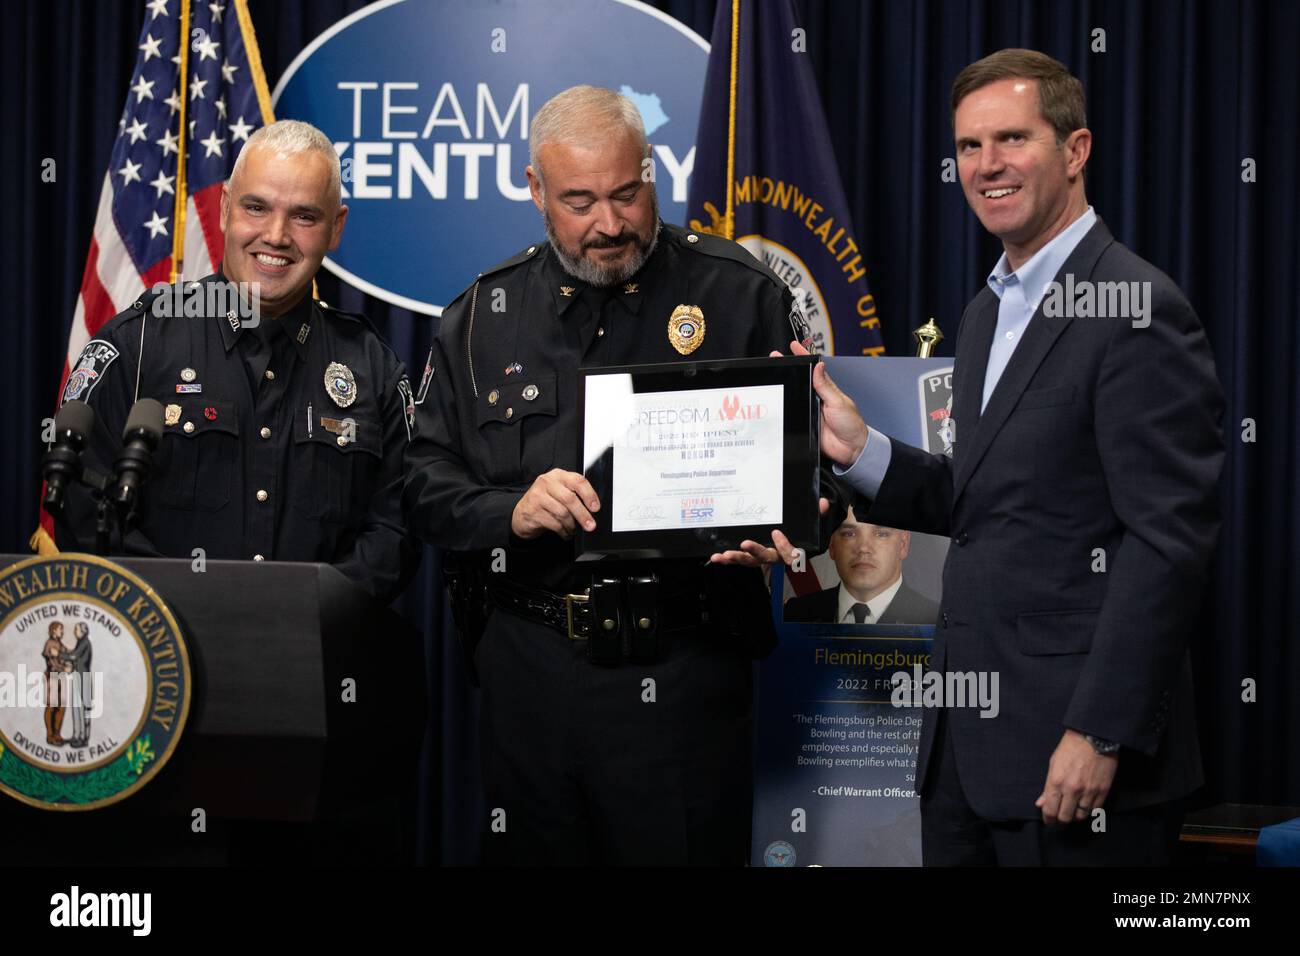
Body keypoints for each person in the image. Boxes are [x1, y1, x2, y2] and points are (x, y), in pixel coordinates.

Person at [778, 50, 1223, 865]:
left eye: (1012, 139)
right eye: (970, 147)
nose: (987, 167)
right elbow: (988, 504)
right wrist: (863, 452)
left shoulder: (1138, 308)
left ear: (1077, 150)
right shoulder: (986, 312)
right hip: (962, 764)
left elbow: (1170, 544)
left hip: (1078, 764)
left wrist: (1100, 730)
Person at [404, 85, 835, 865]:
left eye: (627, 193)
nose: (609, 223)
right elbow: (423, 484)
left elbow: (822, 479)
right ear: (535, 191)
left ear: (651, 171)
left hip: (687, 667)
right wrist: (510, 511)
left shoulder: (740, 293)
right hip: (531, 673)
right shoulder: (481, 317)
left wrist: (783, 536)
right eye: (579, 201)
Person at [57, 120, 418, 604]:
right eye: (256, 207)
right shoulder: (137, 345)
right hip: (163, 657)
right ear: (226, 208)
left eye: (304, 217)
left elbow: (397, 530)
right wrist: (193, 615)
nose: (276, 235)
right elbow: (84, 510)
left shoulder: (373, 369)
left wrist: (301, 615)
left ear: (336, 228)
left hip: (317, 660)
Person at [783, 506, 938, 625]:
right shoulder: (794, 614)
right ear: (831, 546)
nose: (863, 548)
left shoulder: (937, 620)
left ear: (903, 545)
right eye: (849, 534)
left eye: (881, 534)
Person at [63, 622, 94, 748]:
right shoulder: (81, 642)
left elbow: (74, 656)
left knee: (83, 709)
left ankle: (83, 738)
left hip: (83, 677)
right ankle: (76, 735)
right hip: (78, 675)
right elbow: (79, 660)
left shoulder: (85, 642)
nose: (74, 631)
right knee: (76, 707)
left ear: (82, 631)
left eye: (76, 629)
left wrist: (58, 654)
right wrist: (72, 667)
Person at [41, 622, 70, 746]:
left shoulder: (59, 644)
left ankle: (57, 734)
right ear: (53, 631)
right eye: (60, 629)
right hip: (53, 676)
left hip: (60, 677)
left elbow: (67, 653)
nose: (62, 632)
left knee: (61, 707)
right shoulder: (50, 644)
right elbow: (52, 662)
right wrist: (65, 668)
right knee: (51, 706)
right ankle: (50, 736)